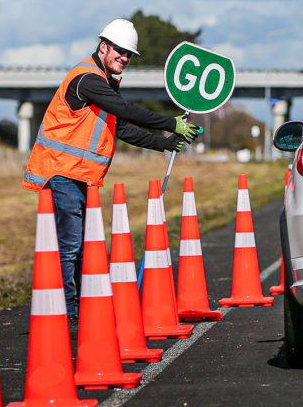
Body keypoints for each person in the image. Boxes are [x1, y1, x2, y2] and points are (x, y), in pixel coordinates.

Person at [21, 18, 200, 331]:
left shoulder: (103, 82)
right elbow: (128, 111)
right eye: (120, 51)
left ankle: (75, 308)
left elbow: (123, 127)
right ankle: (66, 312)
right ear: (103, 46)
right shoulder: (87, 79)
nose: (125, 58)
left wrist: (164, 143)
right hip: (60, 172)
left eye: (129, 54)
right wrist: (170, 123)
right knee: (72, 245)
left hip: (79, 175)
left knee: (82, 247)